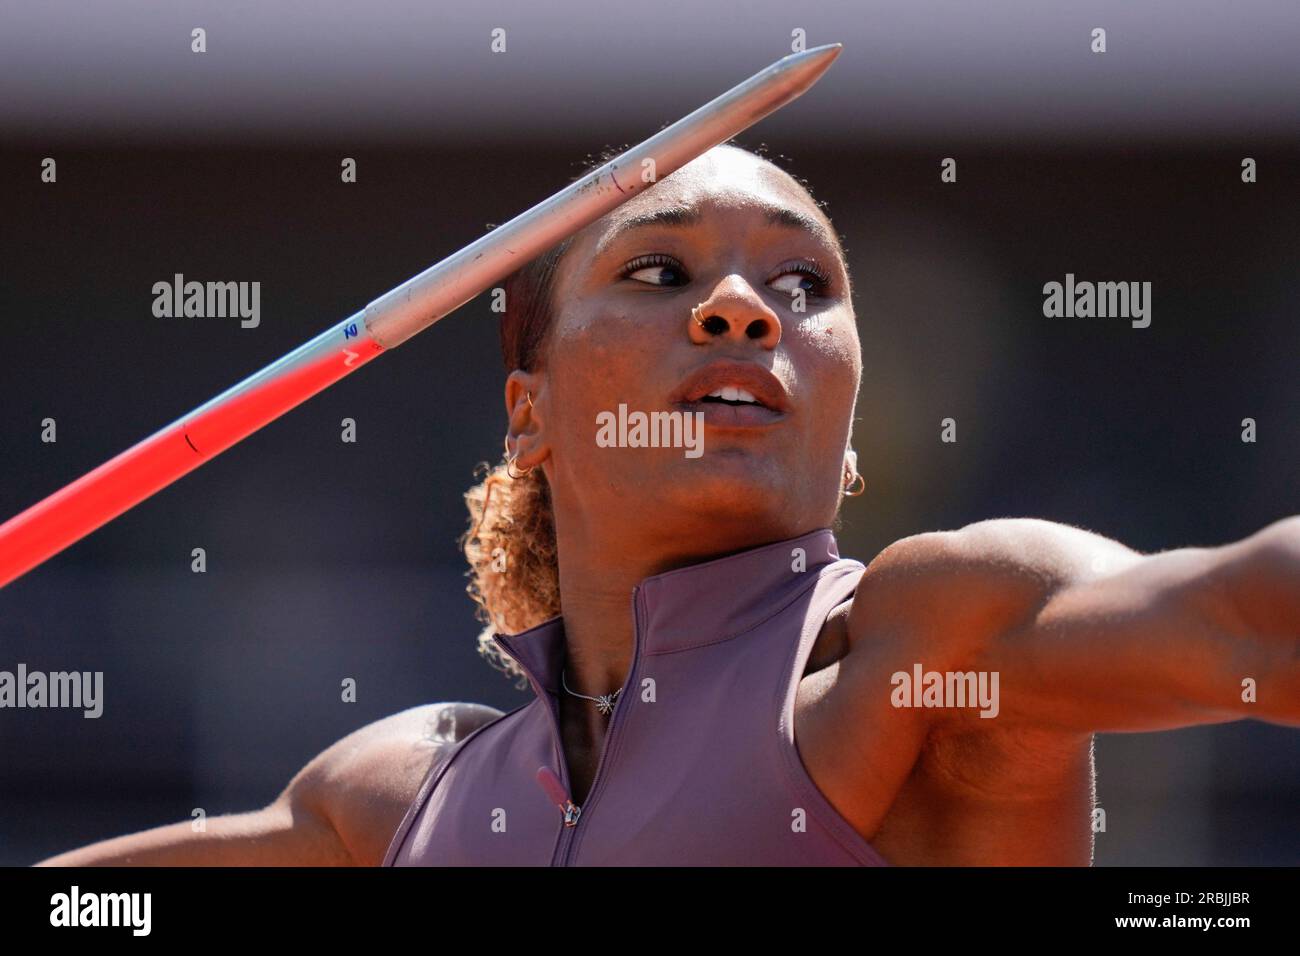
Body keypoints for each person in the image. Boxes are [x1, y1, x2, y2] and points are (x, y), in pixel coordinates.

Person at [37, 142, 1299, 867]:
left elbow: (1246, 615)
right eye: (659, 268)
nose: (745, 307)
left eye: (801, 281)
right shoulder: (401, 796)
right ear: (527, 411)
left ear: (846, 420)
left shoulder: (919, 649)